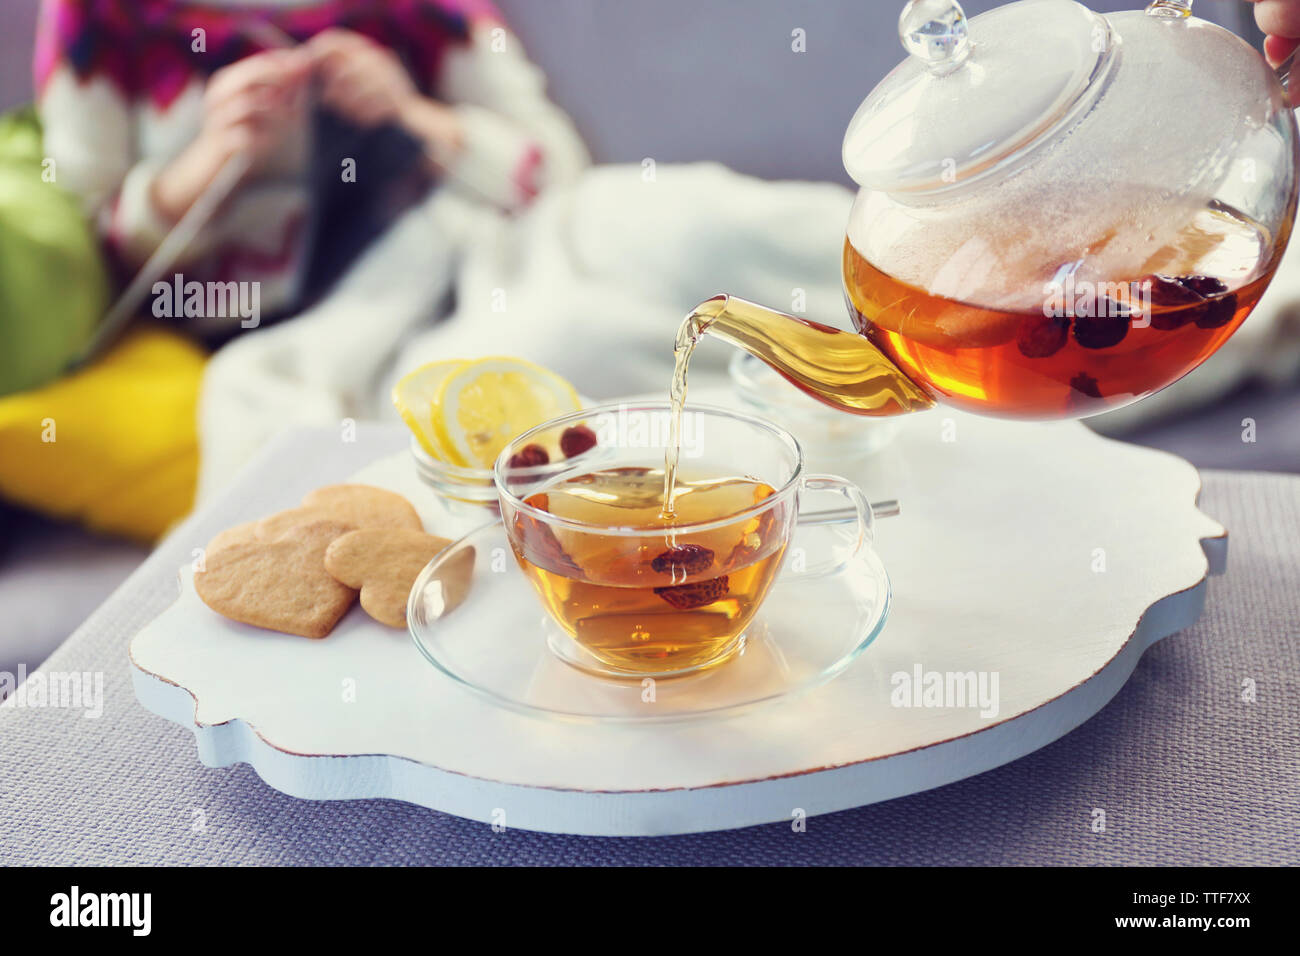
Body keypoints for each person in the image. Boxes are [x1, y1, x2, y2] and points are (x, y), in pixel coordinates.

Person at [35, 0, 588, 338]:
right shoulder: (99, 14)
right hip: (227, 334)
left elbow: (564, 176)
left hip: (448, 296)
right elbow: (76, 254)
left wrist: (414, 117)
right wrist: (207, 165)